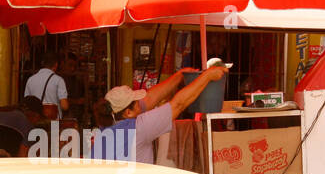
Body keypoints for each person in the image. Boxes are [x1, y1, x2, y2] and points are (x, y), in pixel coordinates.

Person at [91, 65, 228, 164]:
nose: (142, 103)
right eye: (137, 103)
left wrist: (179, 75)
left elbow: (150, 99)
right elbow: (178, 104)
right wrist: (207, 76)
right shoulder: (138, 129)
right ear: (128, 113)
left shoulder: (106, 126)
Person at [23, 51, 69, 119]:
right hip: (53, 121)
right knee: (54, 130)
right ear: (56, 64)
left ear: (42, 63)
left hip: (36, 120)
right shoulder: (58, 80)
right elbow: (64, 106)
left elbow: (26, 102)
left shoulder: (31, 79)